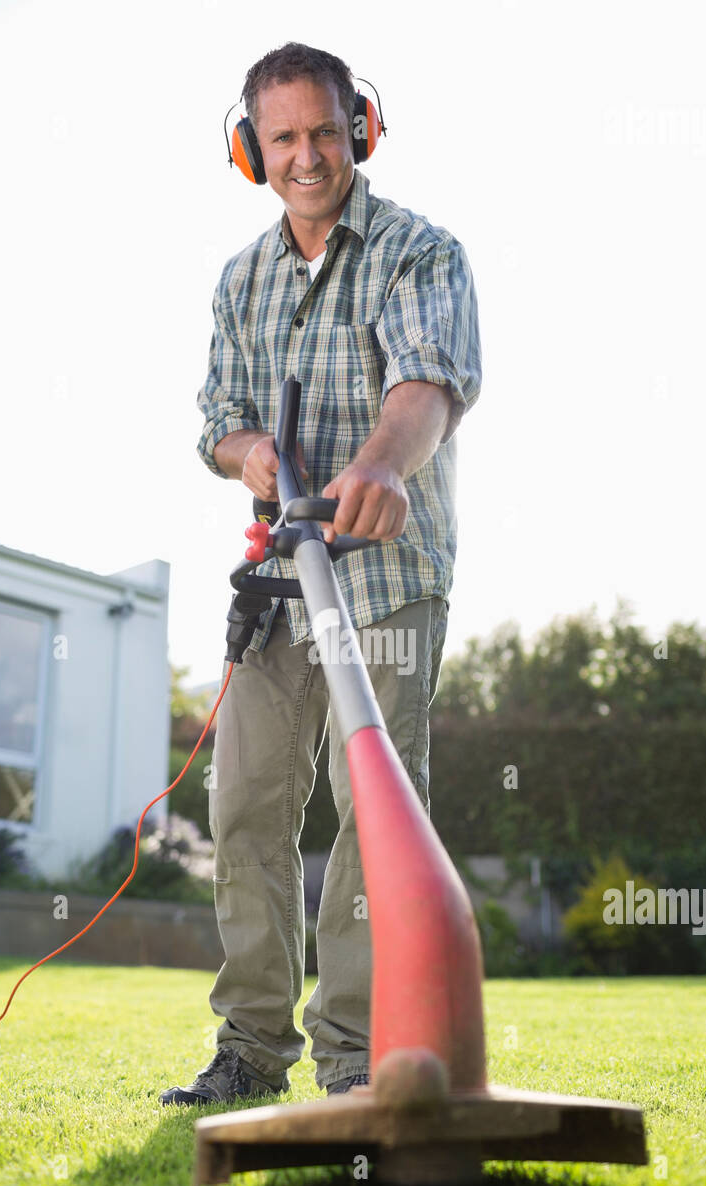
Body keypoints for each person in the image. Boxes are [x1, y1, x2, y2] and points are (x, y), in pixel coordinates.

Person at [160, 41, 481, 1107]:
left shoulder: (416, 251)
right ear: (252, 148)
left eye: (324, 133)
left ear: (362, 132)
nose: (307, 156)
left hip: (385, 578)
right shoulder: (241, 280)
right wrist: (248, 453)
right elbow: (218, 423)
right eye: (283, 137)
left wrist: (381, 465)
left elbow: (424, 384)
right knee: (246, 800)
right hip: (279, 583)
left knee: (371, 810)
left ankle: (352, 1055)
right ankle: (249, 1047)